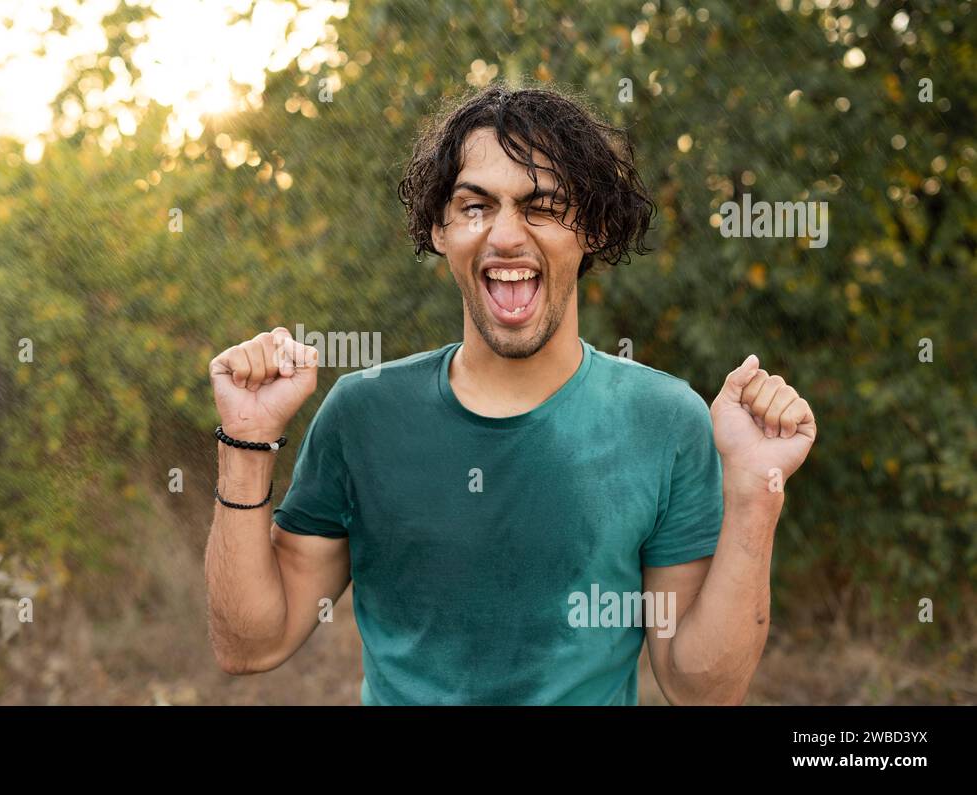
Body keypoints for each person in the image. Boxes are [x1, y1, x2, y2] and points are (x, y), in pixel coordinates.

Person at [203, 82, 817, 705]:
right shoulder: (363, 416)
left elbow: (701, 689)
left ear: (595, 228)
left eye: (541, 206)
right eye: (475, 206)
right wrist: (246, 442)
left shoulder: (665, 422)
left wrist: (754, 497)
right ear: (439, 227)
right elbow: (250, 644)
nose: (504, 237)